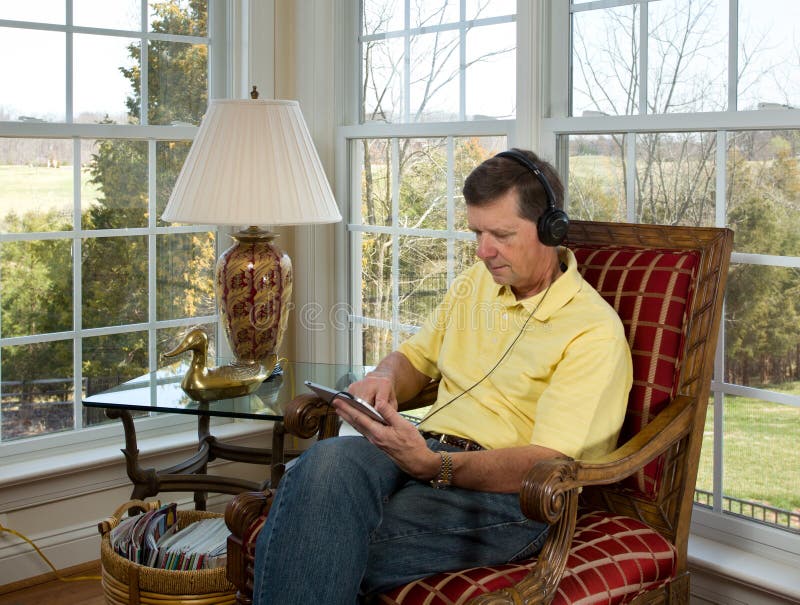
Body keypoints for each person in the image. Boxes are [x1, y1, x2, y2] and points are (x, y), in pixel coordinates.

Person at [252, 148, 633, 604]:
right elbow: (416, 358)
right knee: (325, 463)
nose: (483, 251)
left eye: (501, 235)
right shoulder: (477, 281)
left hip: (513, 498)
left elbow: (546, 463)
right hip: (424, 453)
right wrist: (385, 376)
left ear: (552, 229)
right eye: (477, 232)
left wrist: (437, 466)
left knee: (313, 534)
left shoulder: (593, 331)